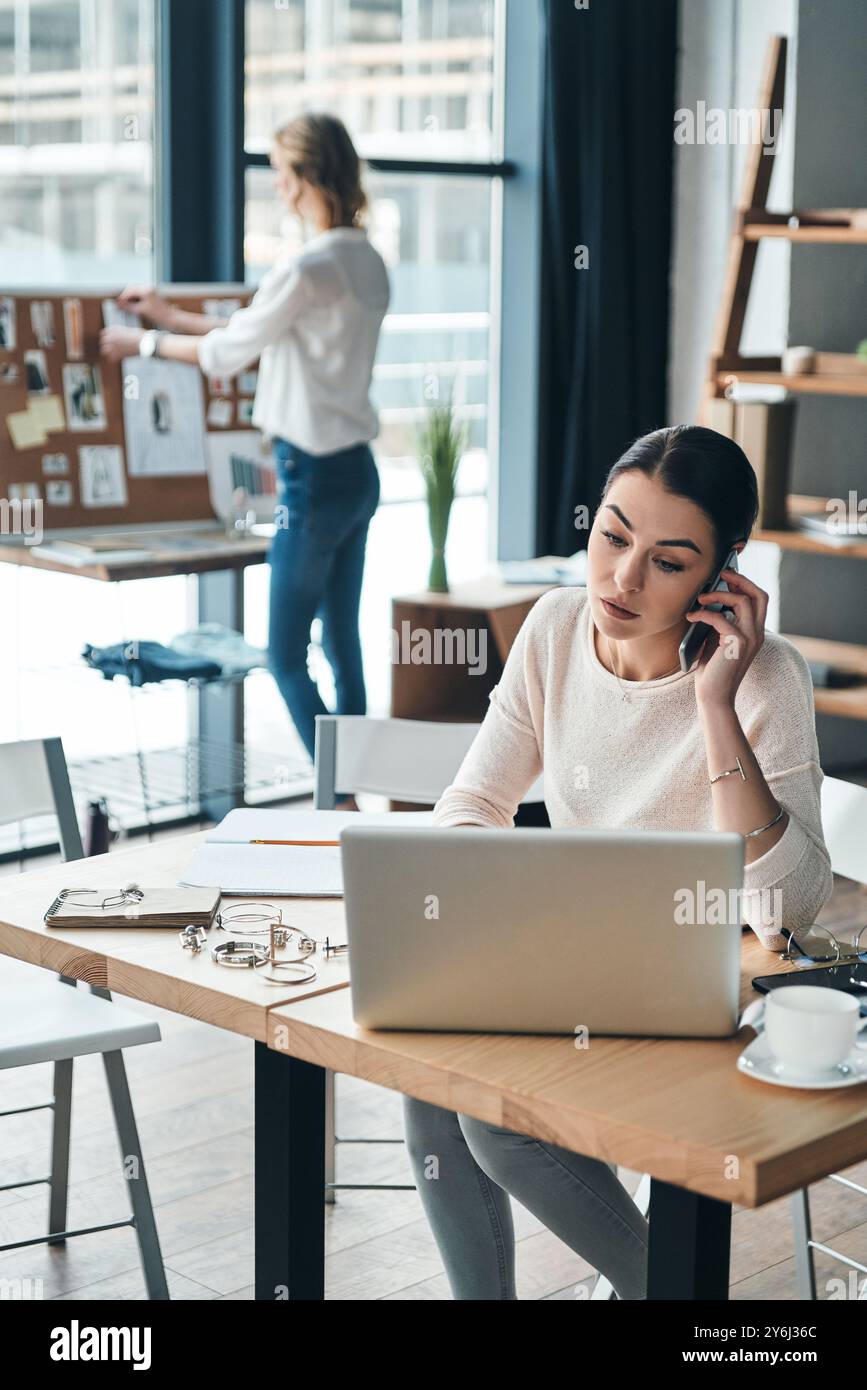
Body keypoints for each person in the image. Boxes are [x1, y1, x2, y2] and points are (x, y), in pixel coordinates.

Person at [403, 424, 834, 1300]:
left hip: (709, 984)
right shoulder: (556, 626)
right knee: (429, 1067)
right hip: (579, 963)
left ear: (723, 575)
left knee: (499, 1129)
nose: (623, 578)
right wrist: (484, 897)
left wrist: (713, 701)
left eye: (669, 560)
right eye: (611, 536)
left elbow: (785, 911)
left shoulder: (767, 678)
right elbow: (471, 804)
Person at [101, 113, 390, 807]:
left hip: (310, 479)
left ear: (303, 177)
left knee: (285, 653)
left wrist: (137, 345)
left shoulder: (307, 264)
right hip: (356, 472)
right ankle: (360, 794)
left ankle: (341, 798)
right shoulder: (364, 260)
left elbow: (228, 356)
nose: (278, 189)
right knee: (341, 642)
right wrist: (170, 317)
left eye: (283, 175)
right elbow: (262, 332)